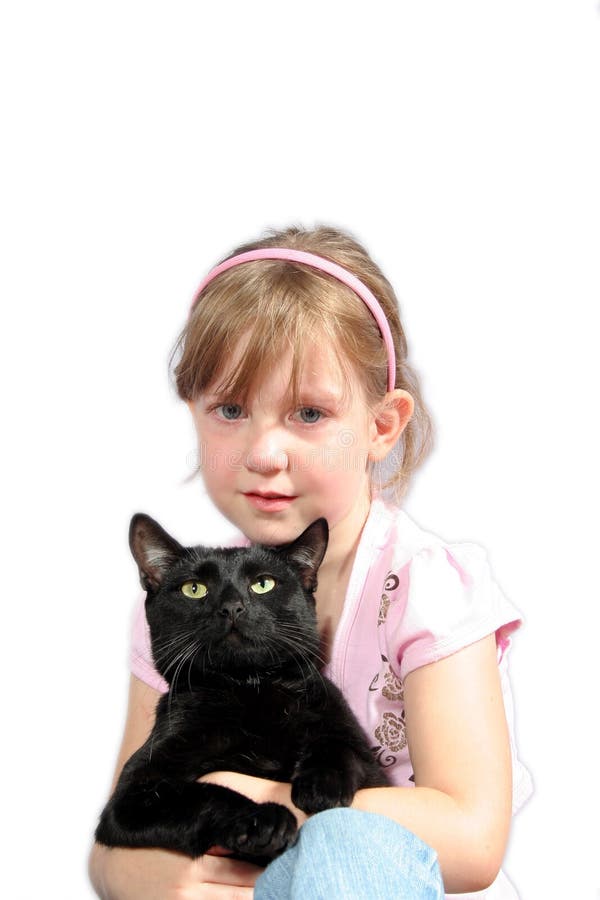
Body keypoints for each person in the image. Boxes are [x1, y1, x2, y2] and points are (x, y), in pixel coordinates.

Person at [89, 225, 532, 899]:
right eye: (231, 409)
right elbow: (118, 840)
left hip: (396, 880)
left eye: (308, 412)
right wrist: (155, 874)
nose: (265, 451)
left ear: (382, 426)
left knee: (342, 843)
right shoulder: (186, 607)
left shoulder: (423, 587)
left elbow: (471, 840)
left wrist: (252, 794)